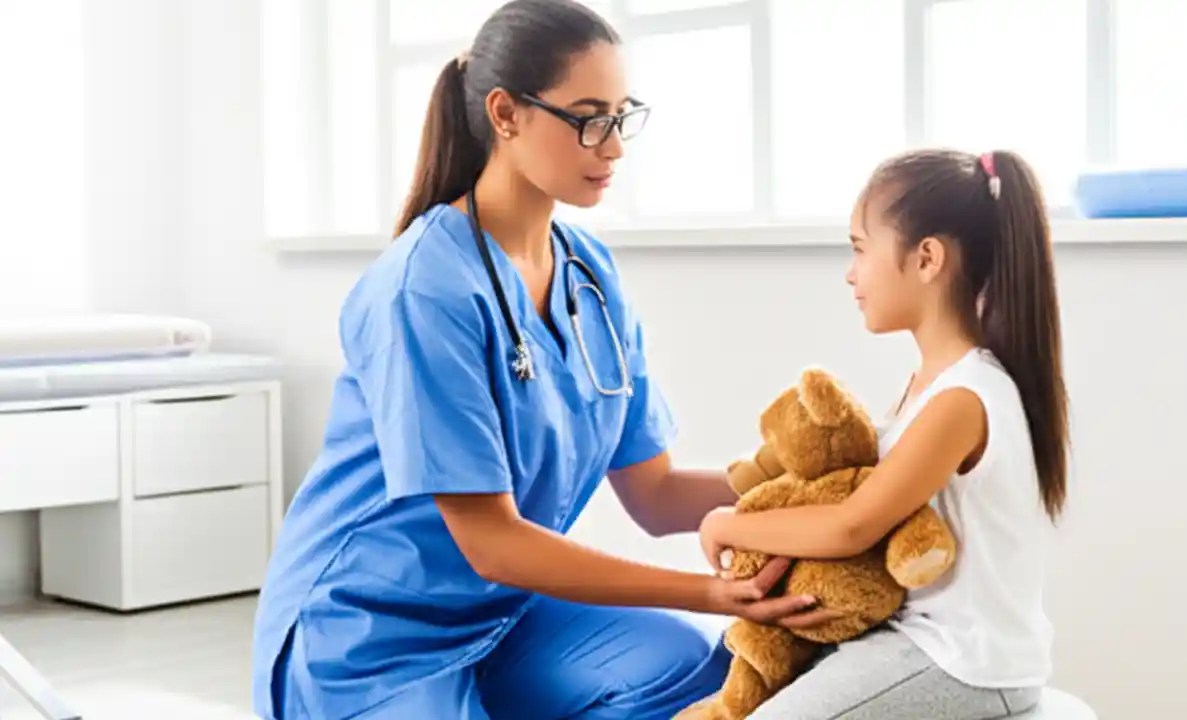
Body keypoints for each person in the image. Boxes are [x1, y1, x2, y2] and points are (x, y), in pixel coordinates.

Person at [249, 1, 822, 718]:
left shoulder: (589, 274)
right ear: (505, 113)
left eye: (621, 117)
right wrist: (707, 592)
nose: (612, 147)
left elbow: (656, 493)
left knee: (696, 674)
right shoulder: (423, 287)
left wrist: (818, 493)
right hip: (370, 638)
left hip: (503, 616)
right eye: (588, 118)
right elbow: (492, 542)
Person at [698, 148, 1070, 719]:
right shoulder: (929, 385)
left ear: (926, 259)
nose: (851, 272)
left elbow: (853, 524)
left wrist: (729, 523)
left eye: (859, 248)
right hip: (925, 643)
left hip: (963, 663)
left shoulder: (964, 399)